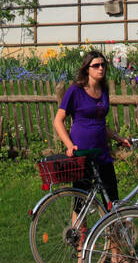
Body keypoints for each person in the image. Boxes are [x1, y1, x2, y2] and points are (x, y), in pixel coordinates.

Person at [53, 50, 130, 205]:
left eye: (103, 65)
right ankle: (79, 229)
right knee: (80, 200)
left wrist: (118, 137)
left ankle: (112, 228)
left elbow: (100, 122)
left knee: (112, 197)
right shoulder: (75, 90)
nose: (100, 68)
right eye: (96, 65)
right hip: (82, 150)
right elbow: (58, 121)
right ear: (87, 69)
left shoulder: (104, 90)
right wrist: (69, 145)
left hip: (101, 150)